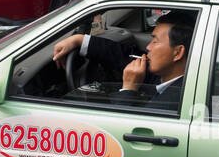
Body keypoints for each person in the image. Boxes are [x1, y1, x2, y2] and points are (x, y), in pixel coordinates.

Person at [52, 11, 194, 111]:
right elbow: (122, 55)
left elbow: (122, 132)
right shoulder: (170, 76)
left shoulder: (173, 102)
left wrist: (128, 88)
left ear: (178, 53)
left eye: (155, 42)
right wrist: (80, 40)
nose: (148, 47)